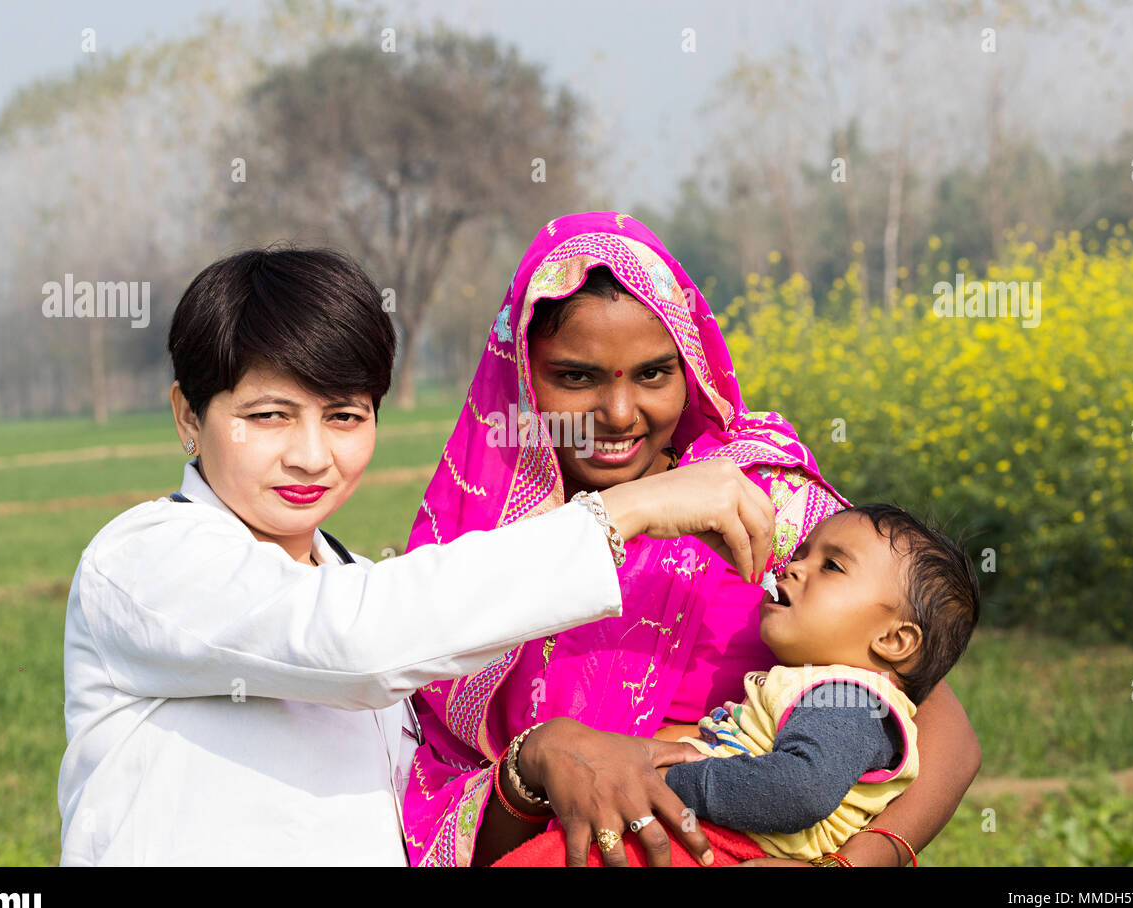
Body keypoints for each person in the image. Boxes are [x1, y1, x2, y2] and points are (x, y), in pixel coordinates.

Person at [55, 247, 773, 866]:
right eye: (268, 416)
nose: (310, 456)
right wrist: (632, 509)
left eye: (344, 416)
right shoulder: (145, 561)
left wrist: (532, 764)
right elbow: (350, 642)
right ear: (189, 415)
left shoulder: (366, 592)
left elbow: (425, 827)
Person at [403, 212, 982, 867]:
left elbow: (939, 726)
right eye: (576, 377)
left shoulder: (762, 504)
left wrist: (859, 863)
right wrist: (536, 764)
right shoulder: (478, 549)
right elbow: (443, 810)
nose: (619, 415)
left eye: (653, 374)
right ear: (520, 375)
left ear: (692, 370)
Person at [491, 502, 980, 866]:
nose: (792, 566)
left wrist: (663, 780)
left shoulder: (849, 698)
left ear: (894, 639)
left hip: (725, 847)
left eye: (831, 566)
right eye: (802, 553)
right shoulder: (815, 685)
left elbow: (800, 790)